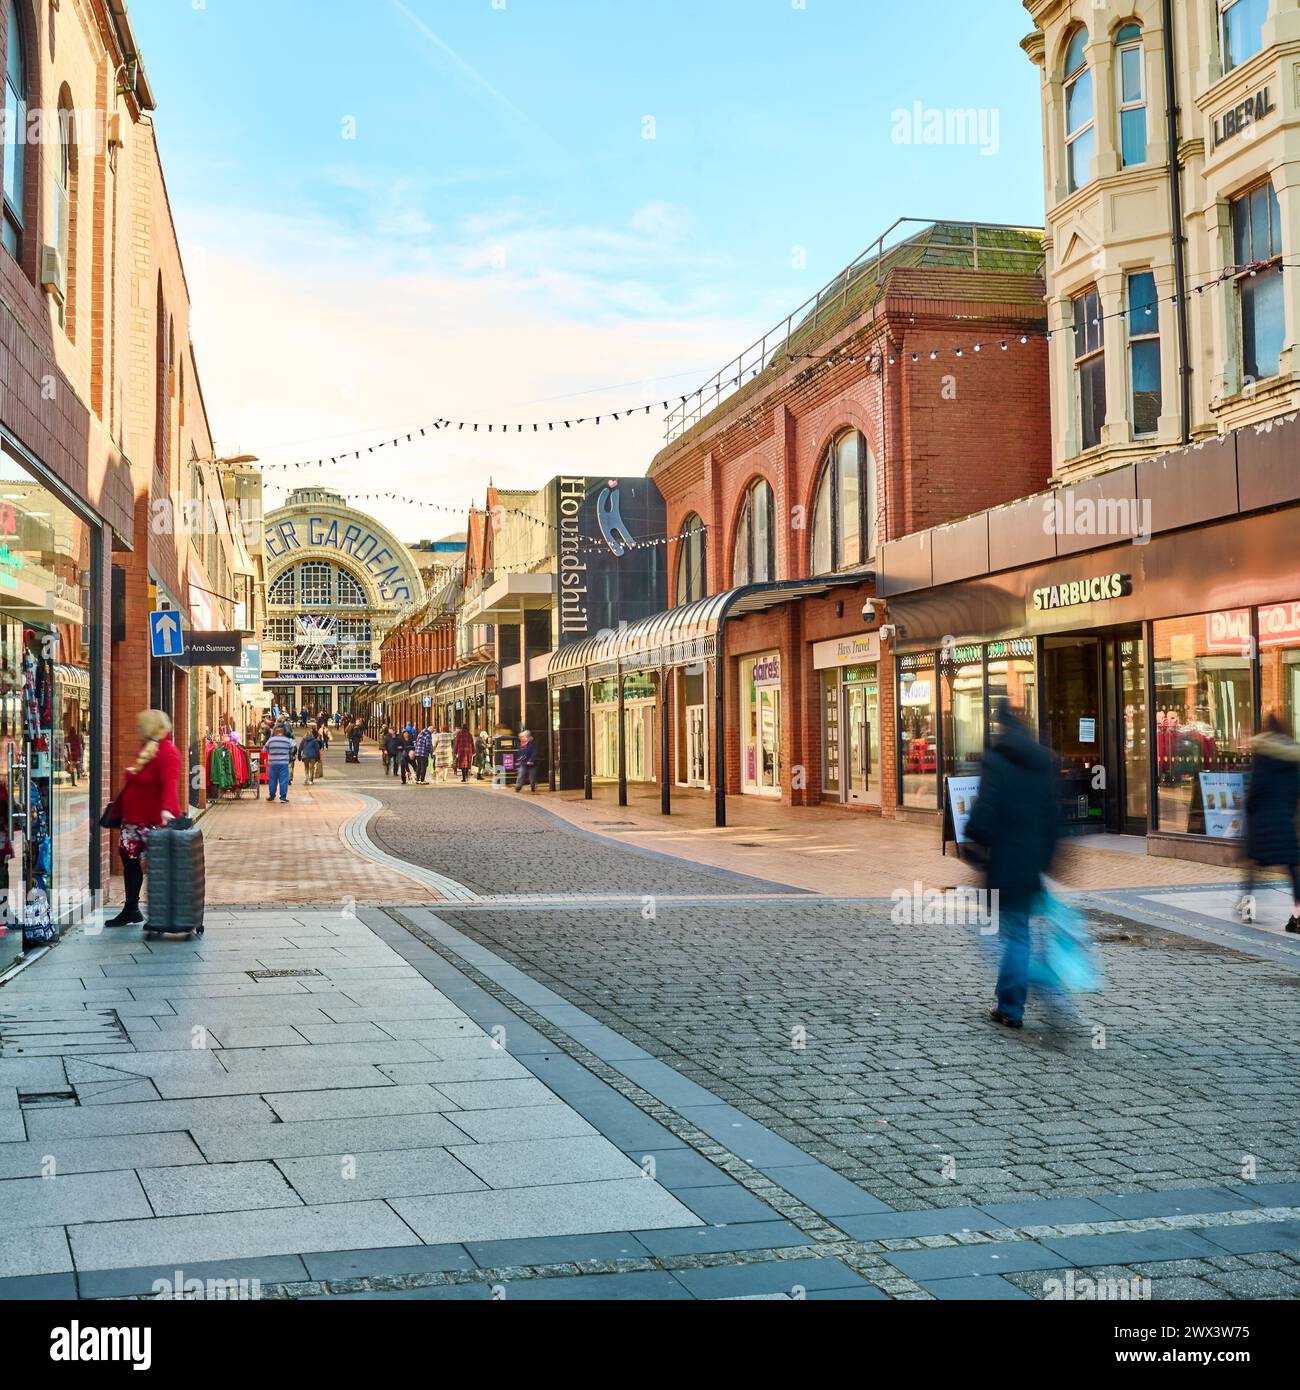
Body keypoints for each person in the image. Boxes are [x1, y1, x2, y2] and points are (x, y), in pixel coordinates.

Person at [965, 701, 1060, 1030]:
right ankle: (1016, 995)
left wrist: (975, 840)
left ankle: (1016, 1002)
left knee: (1008, 936)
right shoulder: (1042, 761)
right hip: (1031, 863)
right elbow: (1053, 817)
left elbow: (984, 813)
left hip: (1005, 862)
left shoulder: (996, 761)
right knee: (1015, 933)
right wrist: (1048, 859)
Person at [104, 709, 182, 927]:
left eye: (141, 725)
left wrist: (167, 810)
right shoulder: (147, 749)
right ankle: (131, 909)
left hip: (154, 822)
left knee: (158, 867)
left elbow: (170, 784)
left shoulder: (168, 751)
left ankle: (164, 914)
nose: (137, 729)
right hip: (133, 821)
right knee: (129, 864)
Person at [1238, 710, 1300, 933]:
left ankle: (1247, 911)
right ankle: (1298, 915)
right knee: (1294, 869)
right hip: (1285, 821)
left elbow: (1256, 790)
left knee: (1253, 869)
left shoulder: (1263, 757)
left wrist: (1249, 810)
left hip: (1262, 823)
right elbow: (1296, 790)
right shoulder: (1293, 758)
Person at [263, 721, 296, 803]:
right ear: (283, 732)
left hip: (272, 763)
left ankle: (272, 796)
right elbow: (292, 749)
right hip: (283, 763)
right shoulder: (287, 740)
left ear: (275, 732)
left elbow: (264, 750)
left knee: (272, 780)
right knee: (283, 780)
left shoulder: (271, 740)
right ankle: (283, 797)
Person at [514, 728, 538, 793]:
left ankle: (533, 786)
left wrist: (531, 760)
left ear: (527, 737)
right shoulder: (520, 745)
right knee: (521, 774)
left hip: (531, 764)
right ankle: (518, 786)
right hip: (523, 763)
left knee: (532, 777)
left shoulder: (532, 744)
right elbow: (520, 753)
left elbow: (534, 753)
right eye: (521, 737)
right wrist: (519, 759)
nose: (521, 738)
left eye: (522, 737)